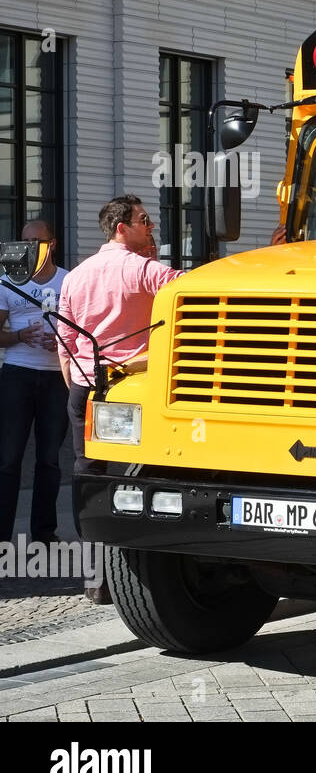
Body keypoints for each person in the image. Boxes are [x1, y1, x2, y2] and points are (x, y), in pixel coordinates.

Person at [57, 195, 184, 476]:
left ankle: (87, 519)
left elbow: (65, 342)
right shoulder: (145, 270)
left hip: (85, 383)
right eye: (144, 220)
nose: (151, 226)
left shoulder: (74, 276)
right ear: (121, 228)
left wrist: (76, 386)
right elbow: (197, 286)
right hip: (135, 384)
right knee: (150, 467)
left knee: (88, 467)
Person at [0, 219, 69, 543]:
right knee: (8, 458)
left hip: (56, 377)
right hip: (17, 373)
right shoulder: (6, 283)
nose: (29, 248)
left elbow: (81, 331)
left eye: (36, 242)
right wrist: (18, 335)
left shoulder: (68, 281)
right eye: (24, 242)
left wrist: (61, 342)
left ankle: (44, 533)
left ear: (51, 244)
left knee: (49, 459)